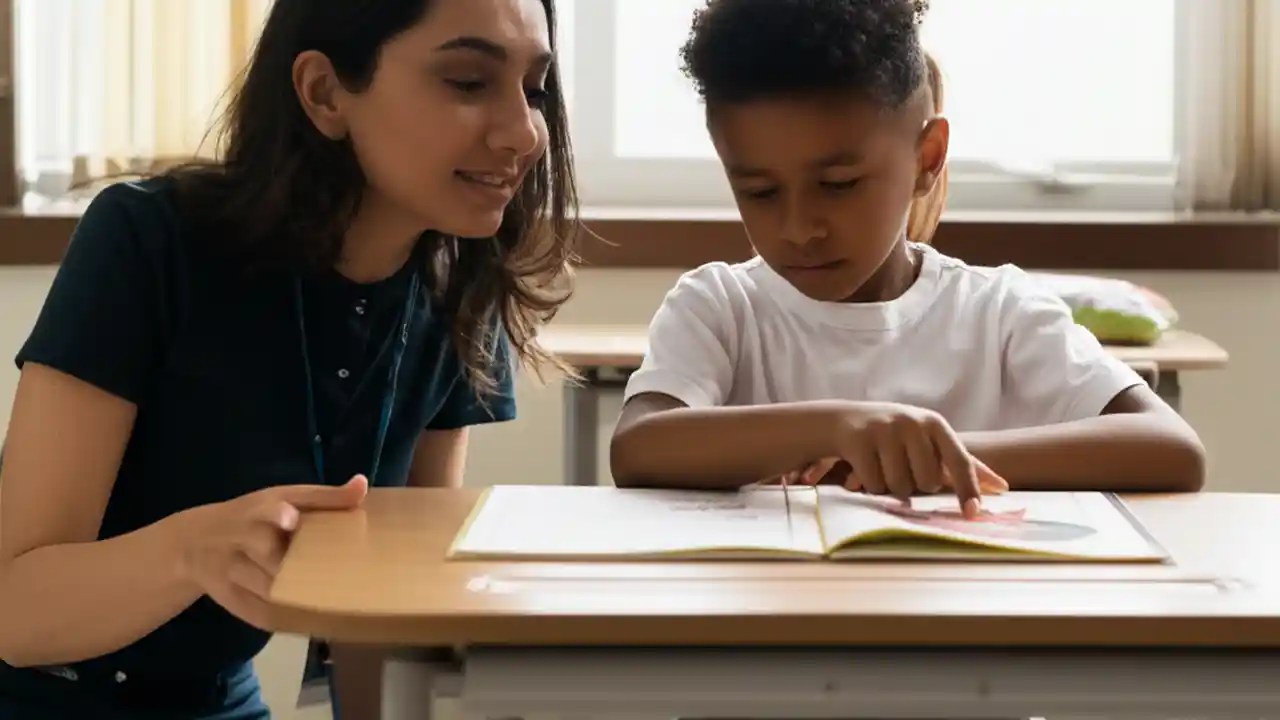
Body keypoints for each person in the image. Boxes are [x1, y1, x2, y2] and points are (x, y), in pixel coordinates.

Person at [0, 0, 576, 716]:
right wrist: (192, 550)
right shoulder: (146, 241)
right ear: (324, 93)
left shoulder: (459, 283)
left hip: (215, 698)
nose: (523, 133)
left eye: (536, 89)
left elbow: (394, 611)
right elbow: (16, 612)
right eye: (467, 82)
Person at [610, 0, 1205, 515]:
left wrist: (934, 457)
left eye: (839, 184)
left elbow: (1171, 448)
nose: (799, 229)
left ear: (927, 158)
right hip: (774, 635)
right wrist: (838, 427)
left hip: (960, 635)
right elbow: (638, 449)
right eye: (759, 192)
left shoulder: (997, 311)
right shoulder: (718, 306)